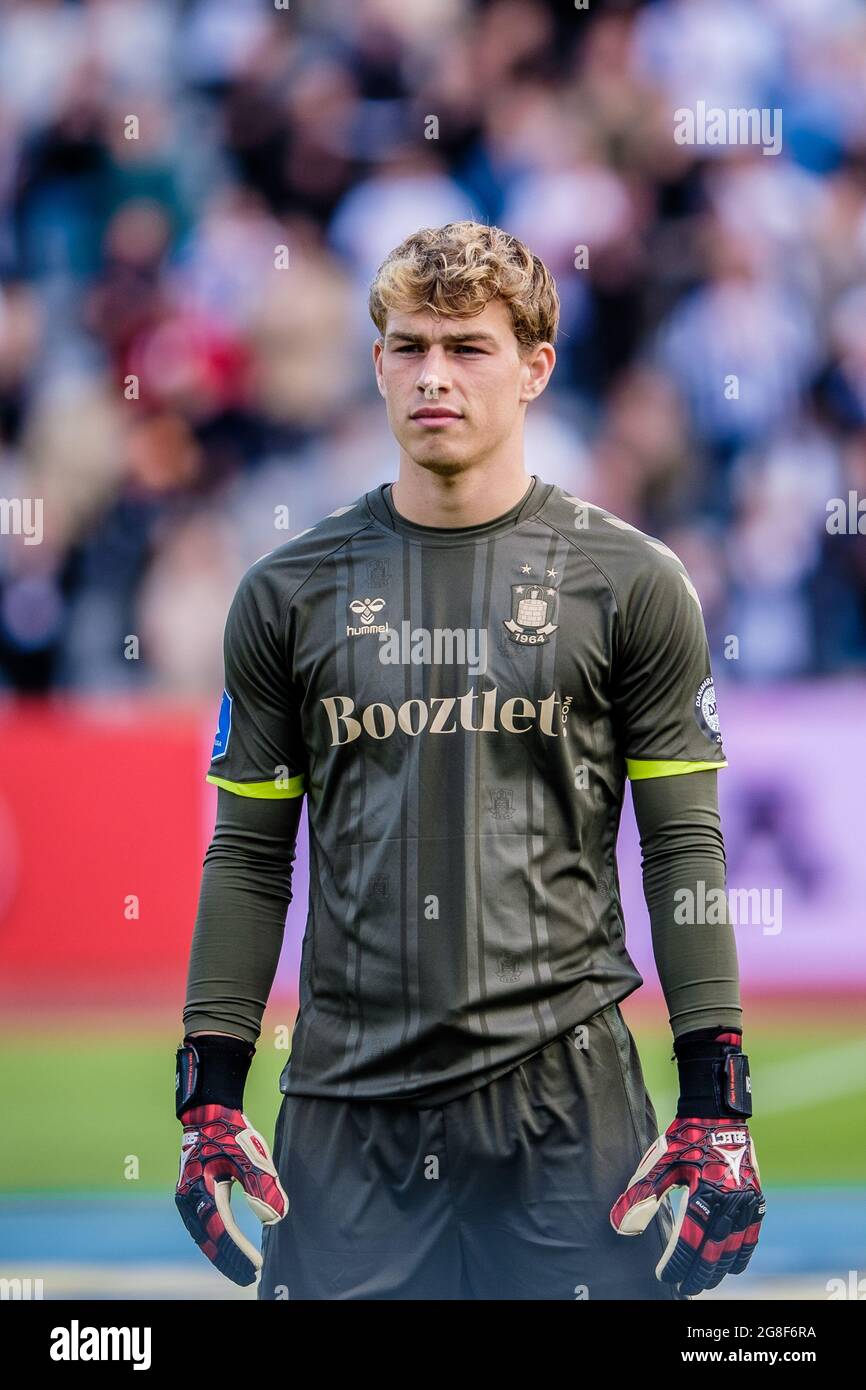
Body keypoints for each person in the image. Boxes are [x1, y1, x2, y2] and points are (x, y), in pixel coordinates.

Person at [174, 221, 764, 1300]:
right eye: (408, 347)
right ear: (376, 363)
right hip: (346, 1109)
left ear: (535, 367)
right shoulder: (284, 593)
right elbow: (251, 858)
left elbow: (681, 846)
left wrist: (714, 1100)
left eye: (467, 347)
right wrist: (207, 1092)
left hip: (566, 1106)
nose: (432, 376)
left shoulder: (631, 582)